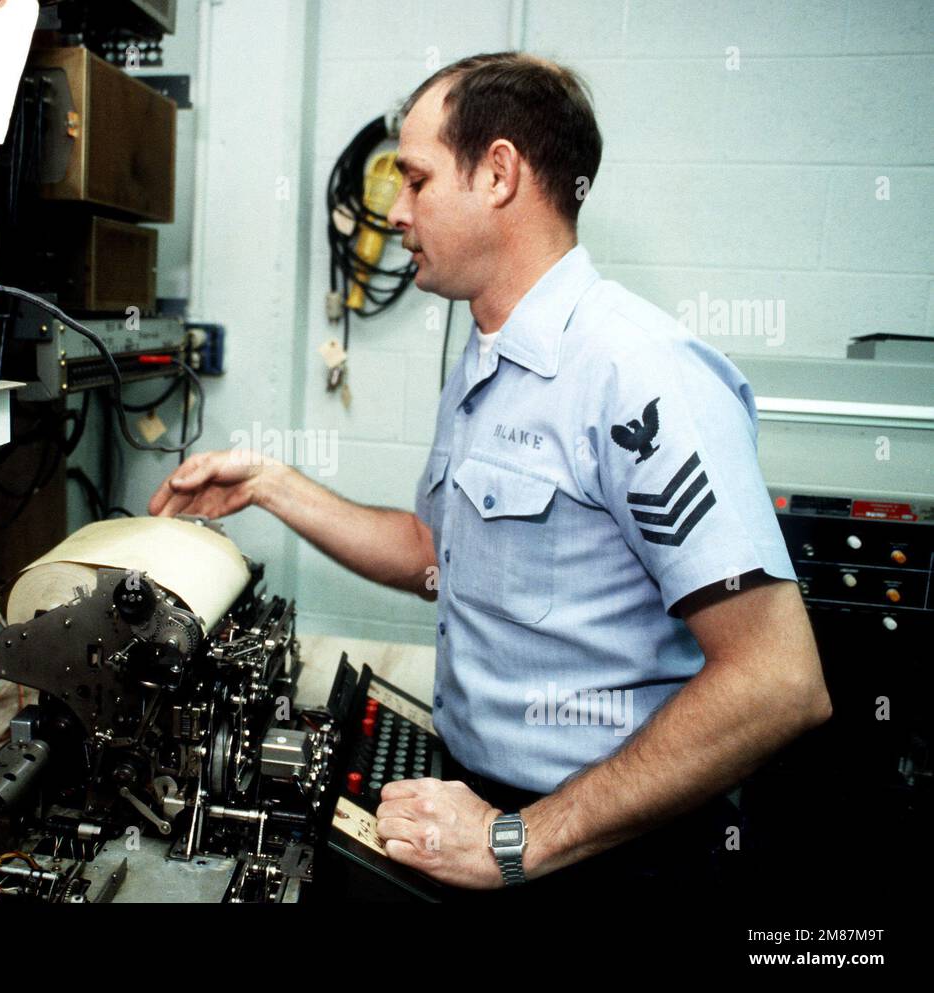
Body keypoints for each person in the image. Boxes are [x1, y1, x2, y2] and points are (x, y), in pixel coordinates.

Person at [148, 52, 830, 895]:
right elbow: (438, 550)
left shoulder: (637, 372)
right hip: (491, 804)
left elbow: (778, 680)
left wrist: (519, 841)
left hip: (601, 844)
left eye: (417, 180)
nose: (396, 214)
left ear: (500, 173)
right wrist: (269, 484)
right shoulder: (484, 362)